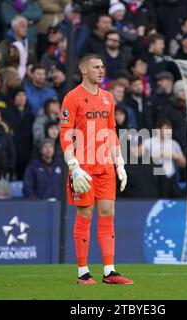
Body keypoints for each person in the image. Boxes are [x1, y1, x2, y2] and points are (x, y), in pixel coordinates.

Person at [59, 53, 133, 285]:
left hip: (105, 167)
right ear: (83, 70)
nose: (101, 70)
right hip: (83, 168)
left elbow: (111, 131)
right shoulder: (72, 98)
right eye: (96, 67)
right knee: (84, 214)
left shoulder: (108, 98)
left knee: (107, 213)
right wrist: (73, 165)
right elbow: (65, 134)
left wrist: (119, 162)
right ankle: (83, 273)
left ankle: (109, 271)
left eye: (102, 67)